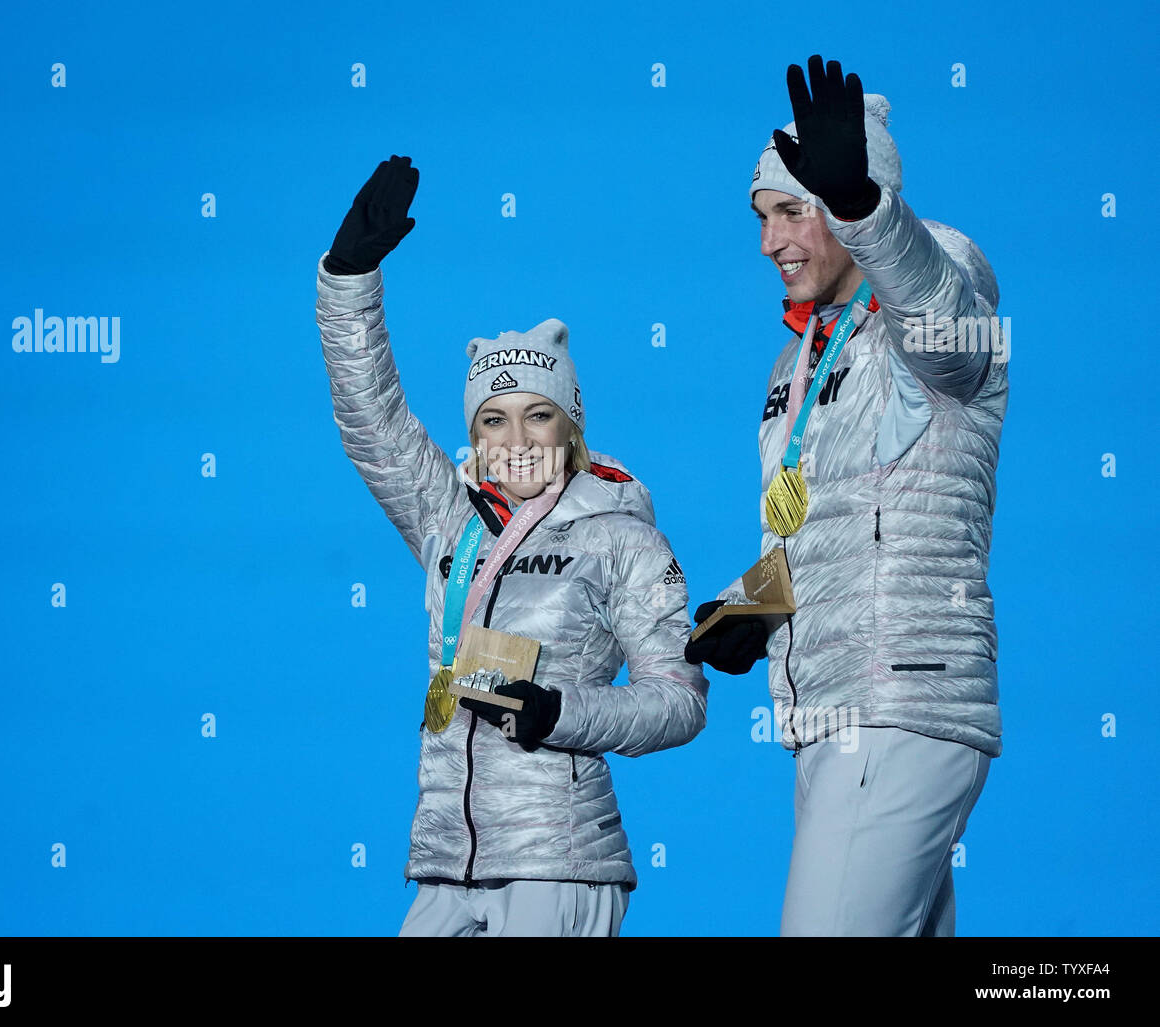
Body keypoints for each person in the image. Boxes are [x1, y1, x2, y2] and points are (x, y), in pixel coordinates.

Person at [315, 155, 709, 937]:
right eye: (494, 419)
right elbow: (371, 419)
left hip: (557, 862)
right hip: (444, 861)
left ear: (571, 424)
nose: (517, 437)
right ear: (474, 434)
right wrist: (348, 279)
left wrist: (559, 710)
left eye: (539, 415)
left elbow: (680, 700)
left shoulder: (621, 535)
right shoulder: (448, 515)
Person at [685, 56, 1007, 936]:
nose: (770, 241)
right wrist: (755, 606)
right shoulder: (798, 362)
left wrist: (866, 207)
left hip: (899, 700)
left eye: (794, 209)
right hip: (829, 710)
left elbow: (944, 330)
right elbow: (833, 536)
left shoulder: (949, 287)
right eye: (762, 215)